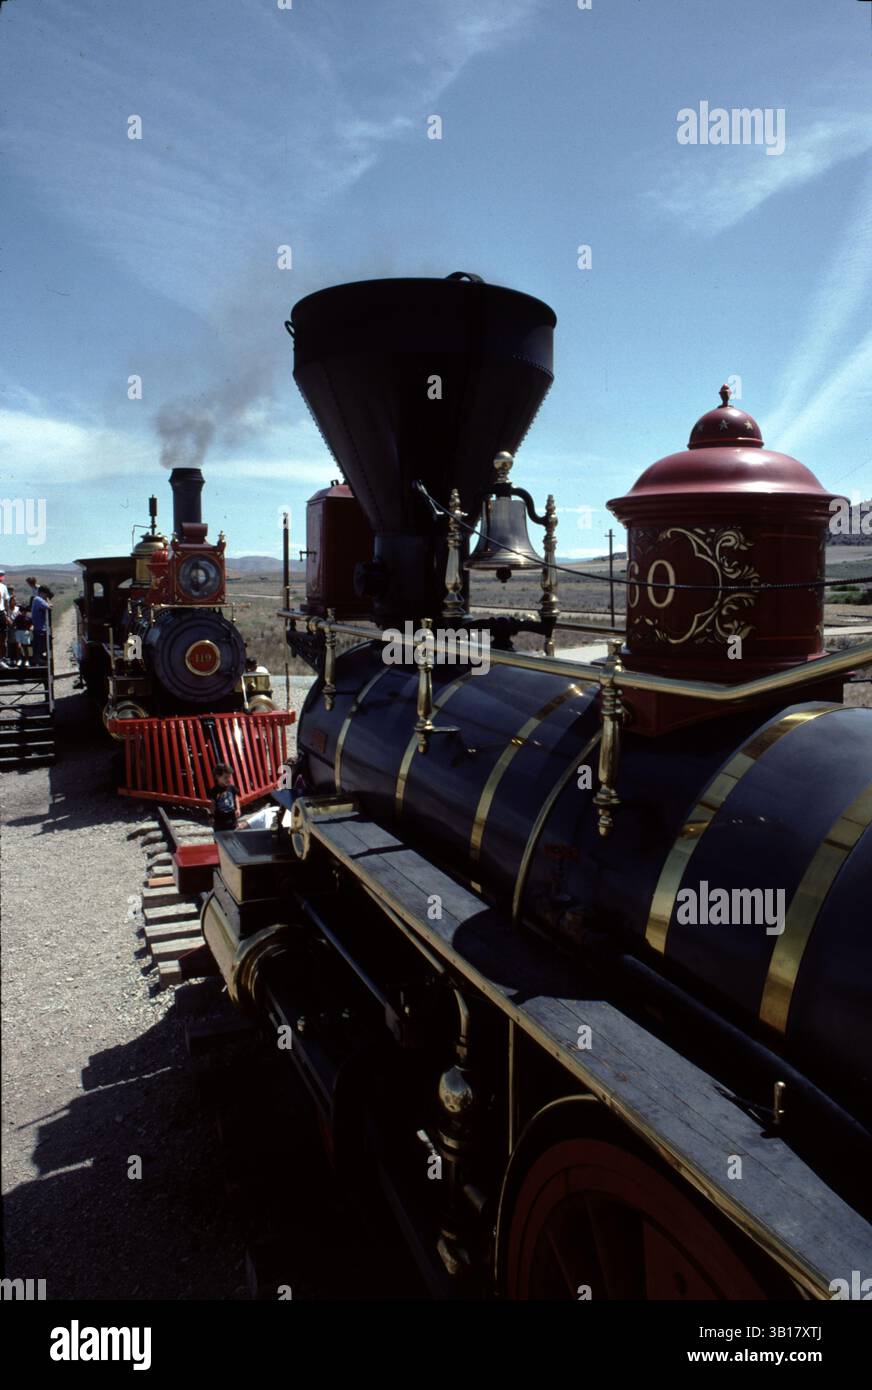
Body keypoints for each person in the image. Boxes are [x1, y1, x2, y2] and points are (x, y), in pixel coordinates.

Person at [207, 762, 249, 832]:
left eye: (229, 777)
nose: (228, 779)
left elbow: (236, 798)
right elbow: (213, 804)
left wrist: (238, 809)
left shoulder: (232, 788)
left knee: (233, 833)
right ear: (217, 777)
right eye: (225, 777)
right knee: (219, 835)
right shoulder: (214, 790)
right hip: (219, 820)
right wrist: (211, 816)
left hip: (232, 818)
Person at [30, 584, 53, 664]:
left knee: (40, 646)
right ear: (43, 593)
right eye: (46, 594)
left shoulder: (37, 599)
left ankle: (39, 659)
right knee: (40, 646)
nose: (46, 596)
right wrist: (48, 600)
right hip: (40, 628)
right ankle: (38, 660)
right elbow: (49, 607)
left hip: (40, 627)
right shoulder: (38, 599)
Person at [0, 569, 9, 665]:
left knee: (2, 637)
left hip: (1, 613)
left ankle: (2, 658)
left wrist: (7, 614)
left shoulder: (3, 587)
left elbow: (6, 602)